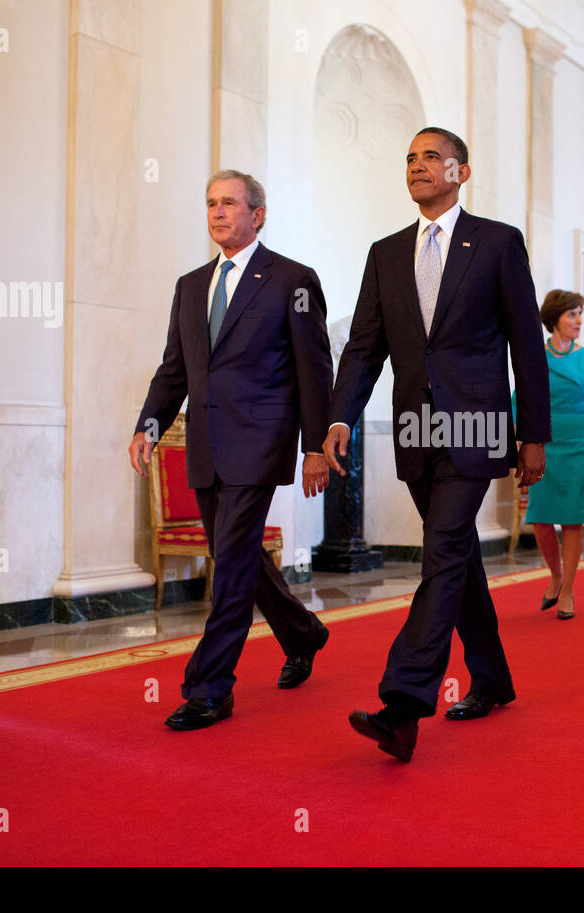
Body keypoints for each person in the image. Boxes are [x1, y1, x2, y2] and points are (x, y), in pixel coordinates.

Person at [323, 127, 550, 762]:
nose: (418, 167)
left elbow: (525, 347)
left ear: (461, 172)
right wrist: (341, 418)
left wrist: (533, 434)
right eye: (411, 159)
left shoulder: (499, 244)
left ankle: (403, 704)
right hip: (416, 431)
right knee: (458, 560)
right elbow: (364, 347)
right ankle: (494, 677)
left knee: (442, 550)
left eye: (431, 157)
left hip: (478, 428)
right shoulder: (385, 253)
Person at [128, 170, 334, 730]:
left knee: (233, 563)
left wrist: (315, 447)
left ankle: (210, 687)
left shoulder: (293, 279)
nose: (218, 213)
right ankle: (303, 631)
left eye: (229, 203)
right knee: (235, 554)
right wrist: (150, 424)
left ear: (257, 214)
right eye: (211, 204)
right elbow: (176, 368)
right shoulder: (190, 285)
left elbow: (314, 370)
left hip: (260, 443)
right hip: (205, 444)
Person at [513, 289, 584, 620]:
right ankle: (555, 574)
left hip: (580, 444)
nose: (578, 320)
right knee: (541, 517)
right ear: (554, 319)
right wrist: (518, 445)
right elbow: (520, 401)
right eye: (572, 314)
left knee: (574, 517)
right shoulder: (534, 356)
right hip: (543, 442)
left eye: (580, 313)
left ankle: (569, 589)